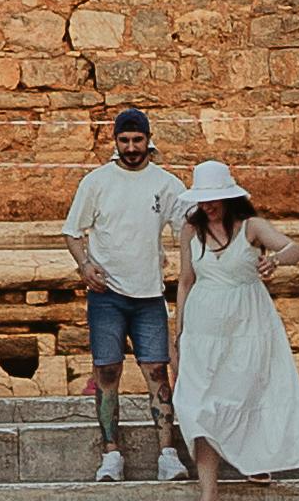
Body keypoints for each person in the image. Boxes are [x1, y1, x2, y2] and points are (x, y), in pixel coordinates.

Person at [170, 158, 299, 491]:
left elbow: (295, 249)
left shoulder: (251, 226)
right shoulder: (191, 231)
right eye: (202, 198)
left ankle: (254, 459)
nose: (207, 205)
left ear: (228, 196)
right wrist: (178, 333)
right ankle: (209, 493)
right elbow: (184, 281)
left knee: (246, 393)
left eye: (213, 197)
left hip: (248, 324)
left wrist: (275, 261)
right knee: (197, 404)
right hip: (202, 326)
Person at [61, 105, 188, 481]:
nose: (132, 147)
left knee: (156, 370)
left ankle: (167, 453)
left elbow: (189, 227)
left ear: (149, 140)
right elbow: (72, 231)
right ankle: (111, 454)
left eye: (138, 139)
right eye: (125, 140)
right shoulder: (96, 182)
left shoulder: (166, 184)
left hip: (149, 293)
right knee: (107, 371)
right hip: (106, 294)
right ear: (115, 142)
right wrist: (85, 266)